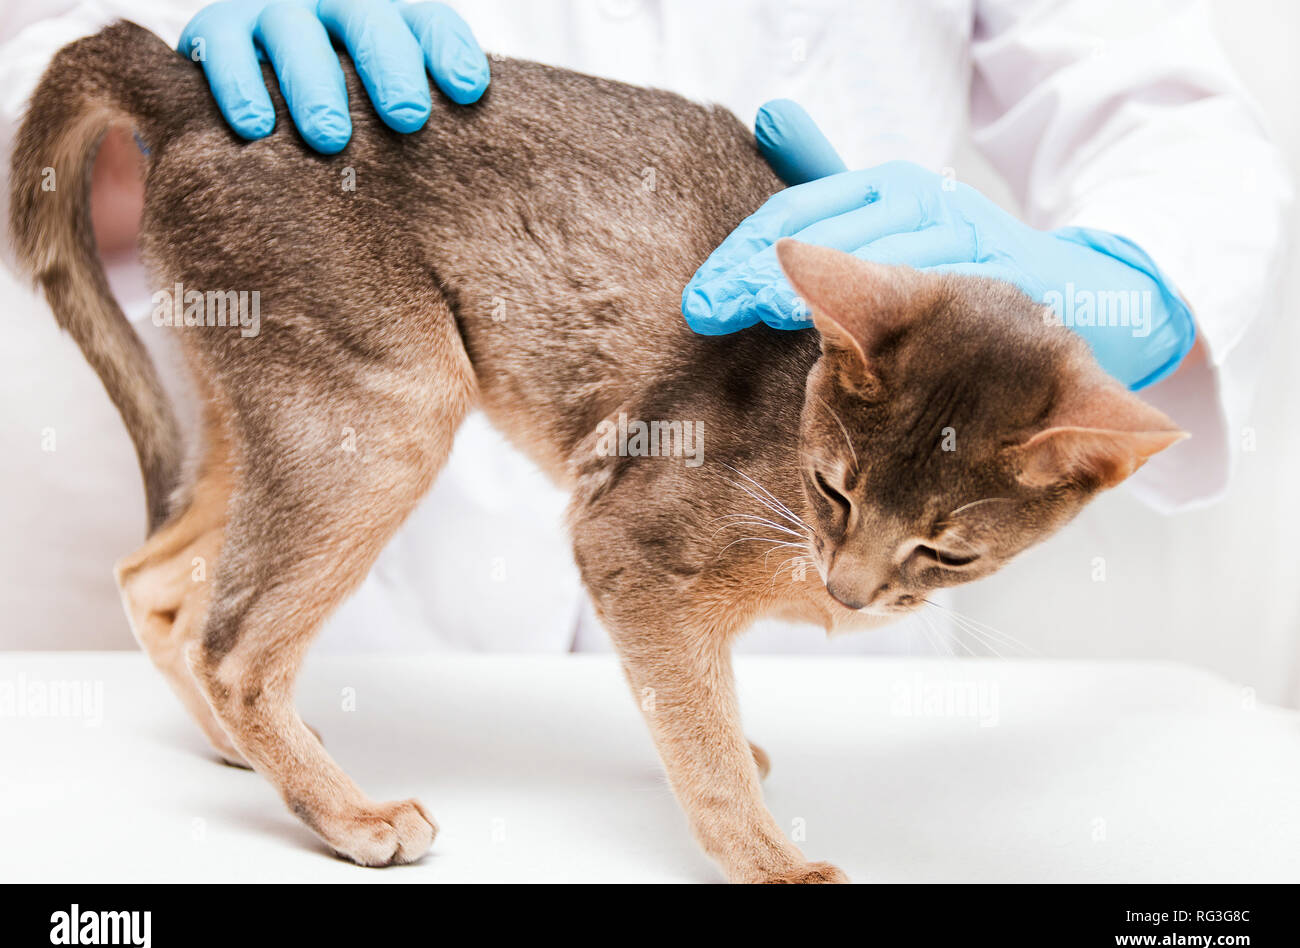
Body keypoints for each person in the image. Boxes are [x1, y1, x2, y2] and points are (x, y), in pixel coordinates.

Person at [0, 1, 1290, 658]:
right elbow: (55, 71)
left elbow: (1170, 119)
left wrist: (1112, 291)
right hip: (373, 651)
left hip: (829, 692)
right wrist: (179, 142)